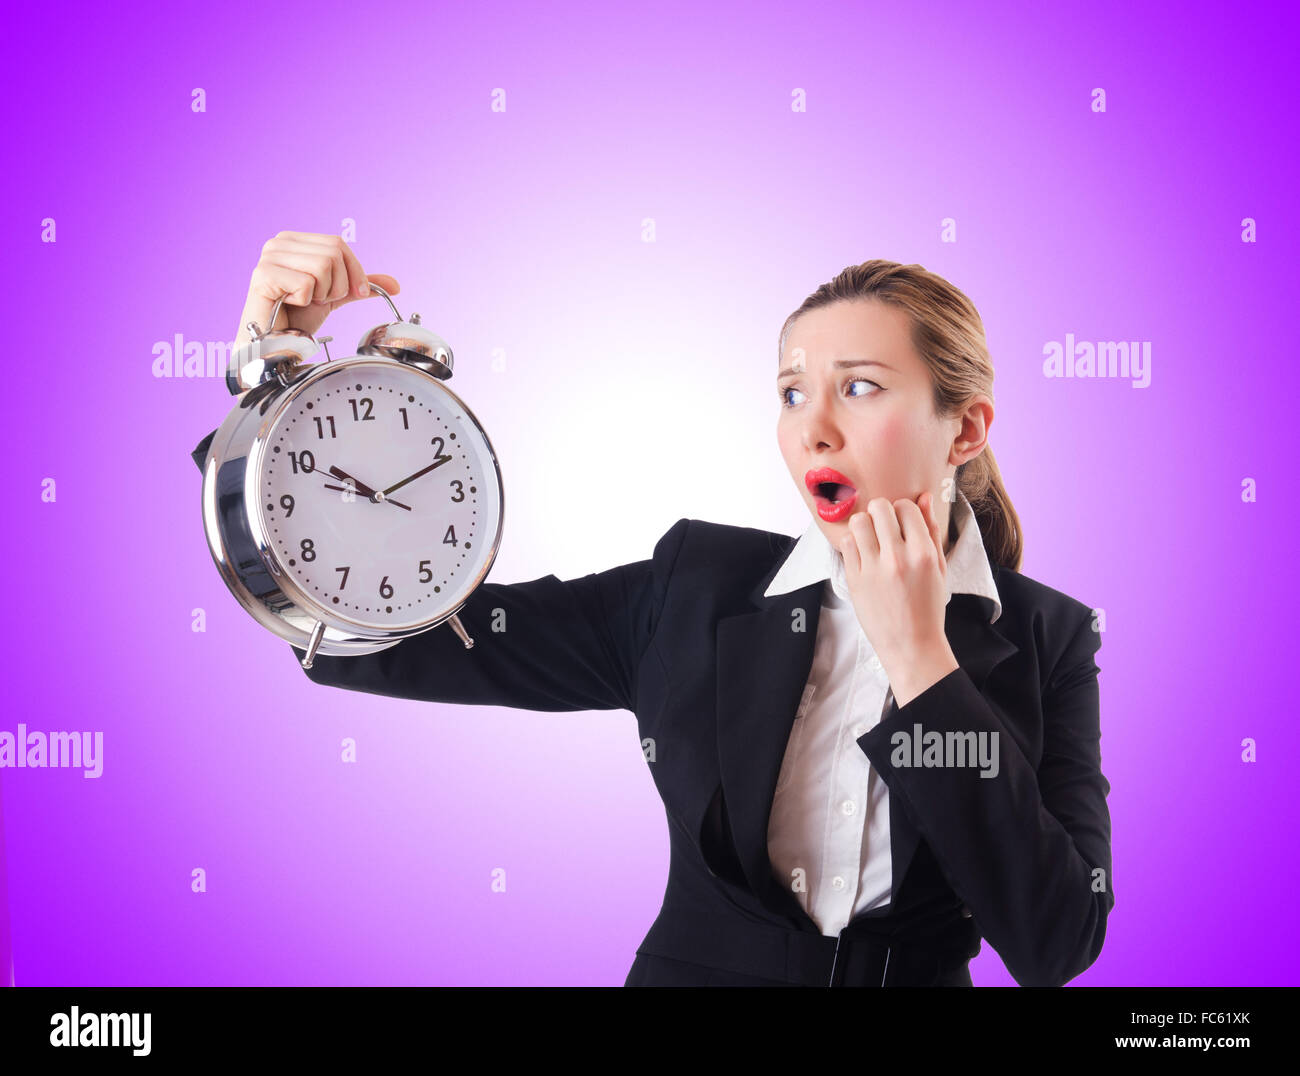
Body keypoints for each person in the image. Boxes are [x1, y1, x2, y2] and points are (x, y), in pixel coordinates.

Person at [191, 234, 1114, 987]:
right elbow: (390, 641)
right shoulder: (696, 590)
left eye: (859, 386)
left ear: (967, 427)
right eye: (792, 393)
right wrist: (268, 394)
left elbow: (1053, 941)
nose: (813, 426)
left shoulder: (1048, 639)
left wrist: (921, 661)